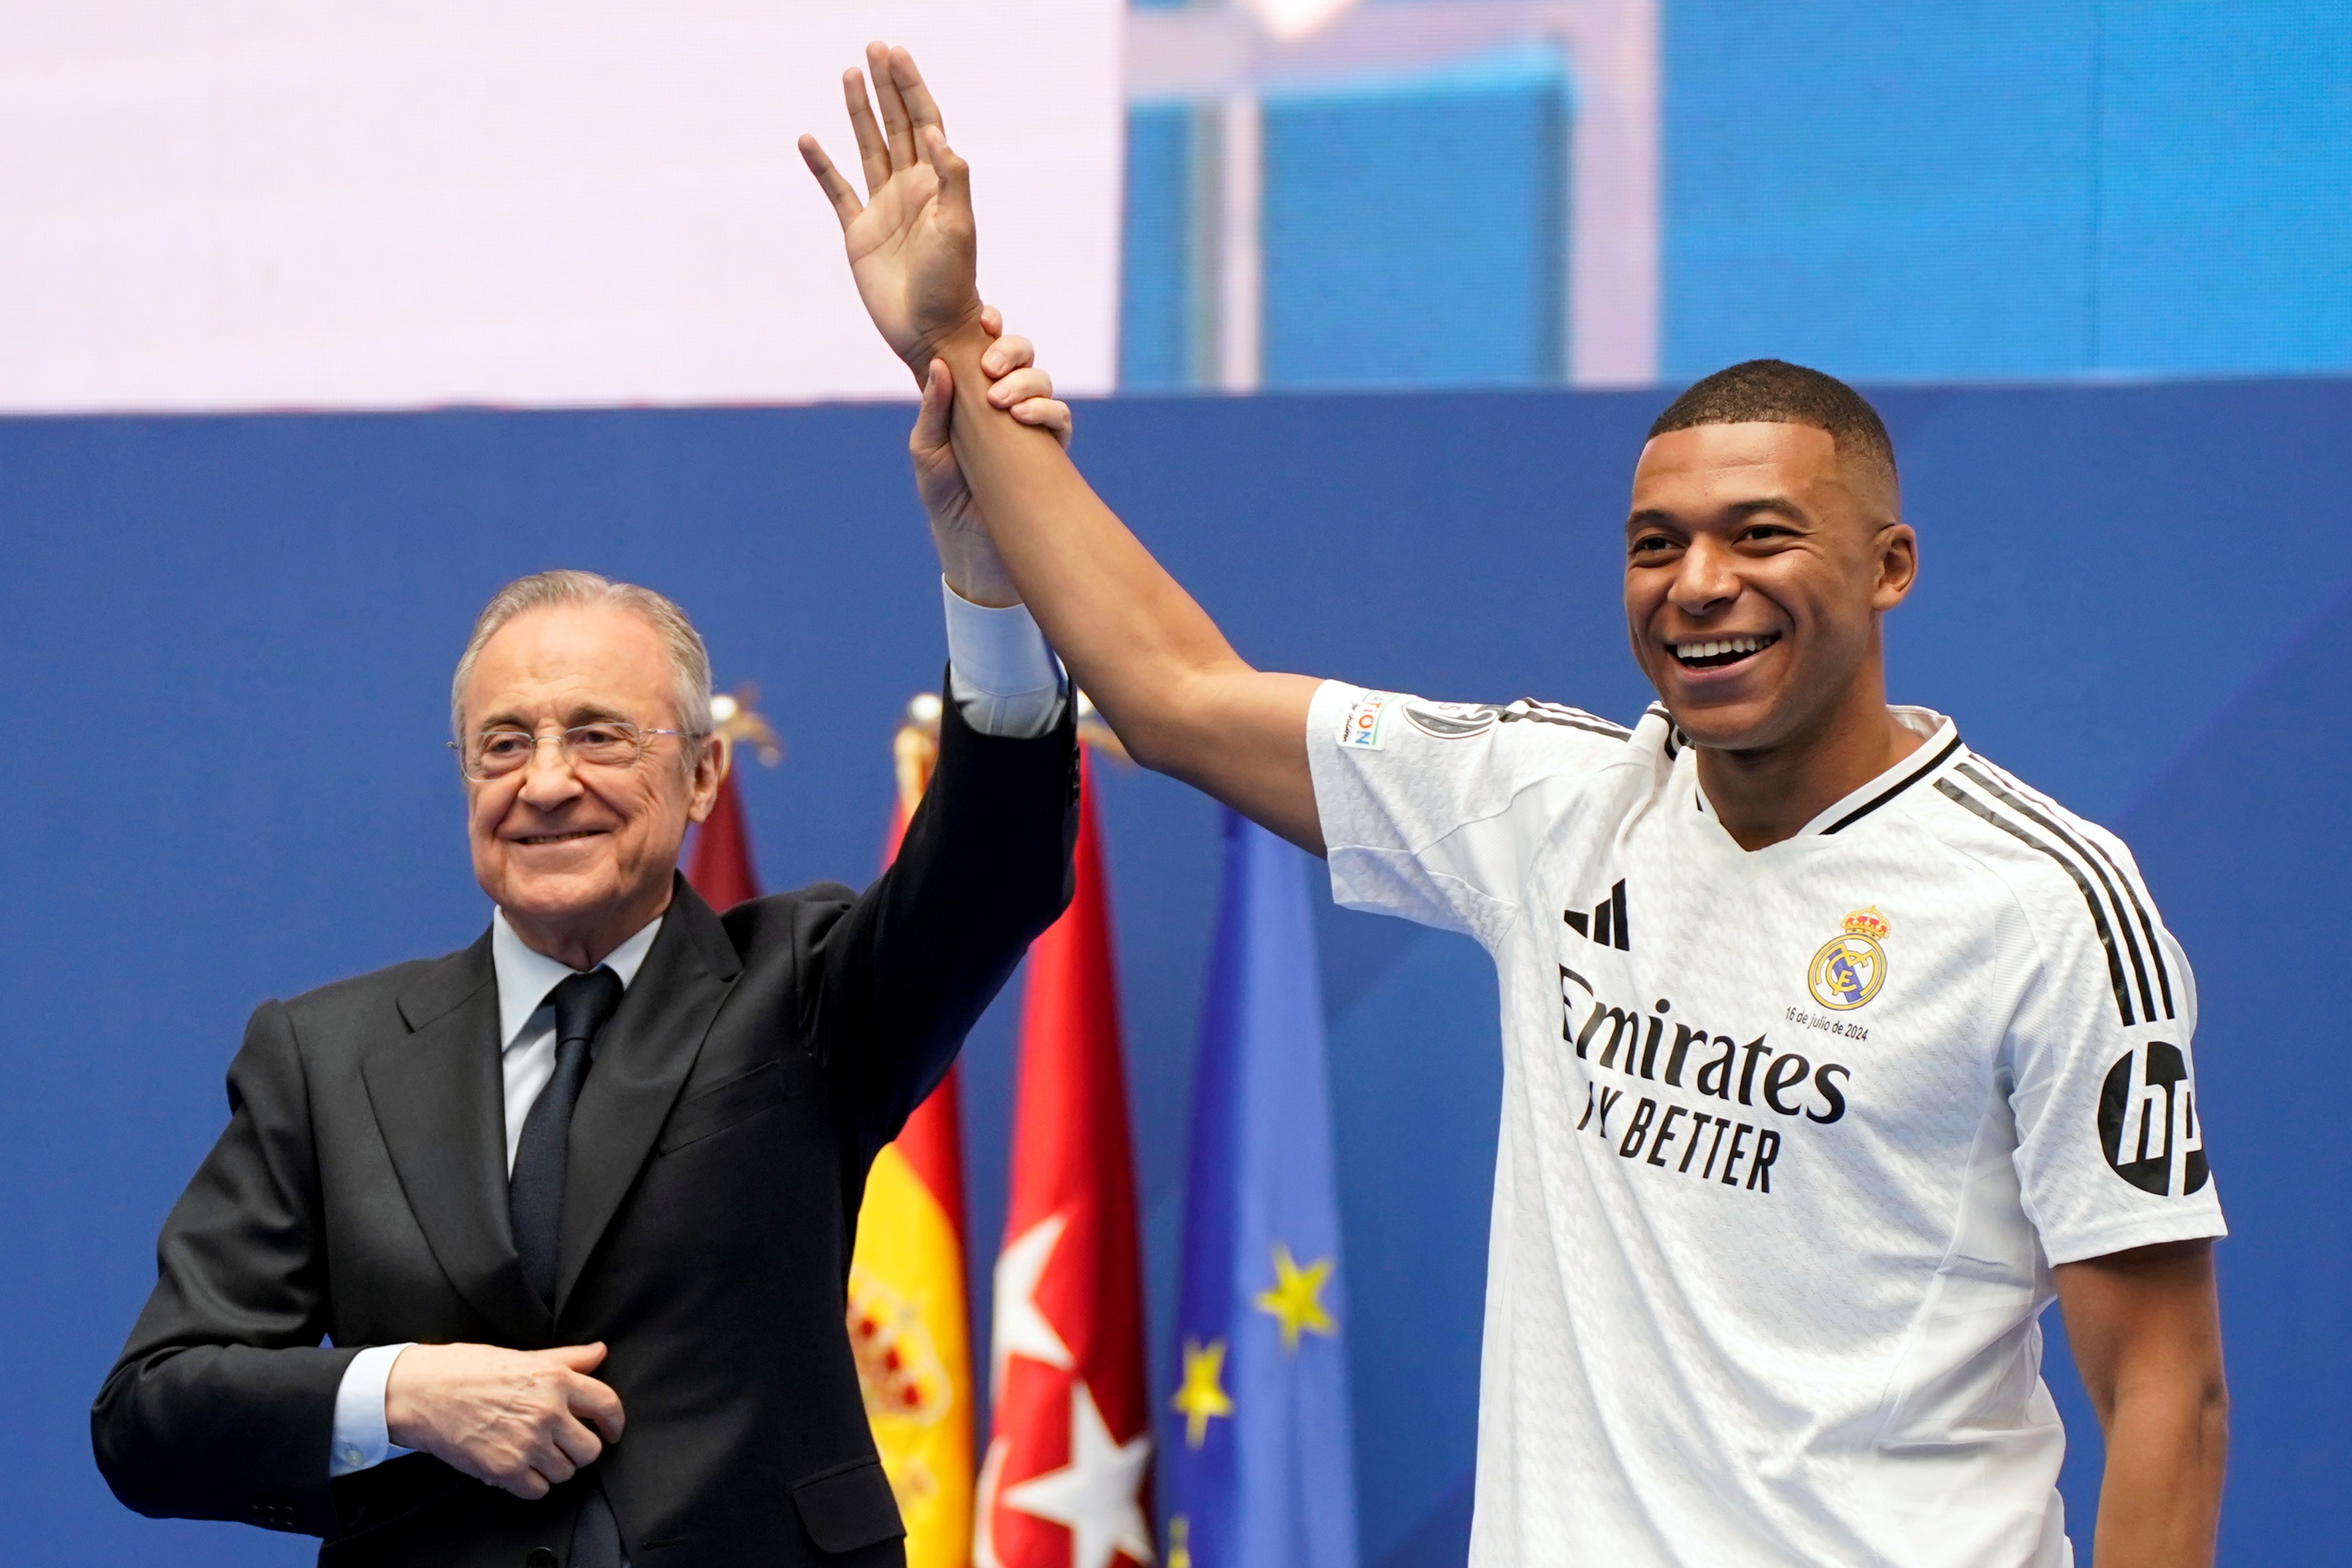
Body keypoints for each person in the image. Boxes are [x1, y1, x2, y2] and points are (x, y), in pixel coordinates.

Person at [799, 47, 2230, 1568]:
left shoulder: (2048, 900)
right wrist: (948, 336)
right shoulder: (1554, 804)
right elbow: (1174, 691)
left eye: (1761, 535)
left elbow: (2166, 1391)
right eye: (1654, 543)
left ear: (1891, 567)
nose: (1699, 586)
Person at [92, 316, 1084, 1568]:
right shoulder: (323, 1058)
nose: (546, 782)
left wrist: (985, 565)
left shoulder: (808, 990)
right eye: (505, 743)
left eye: (601, 736)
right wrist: (397, 1394)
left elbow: (992, 865)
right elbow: (150, 1413)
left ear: (705, 774)